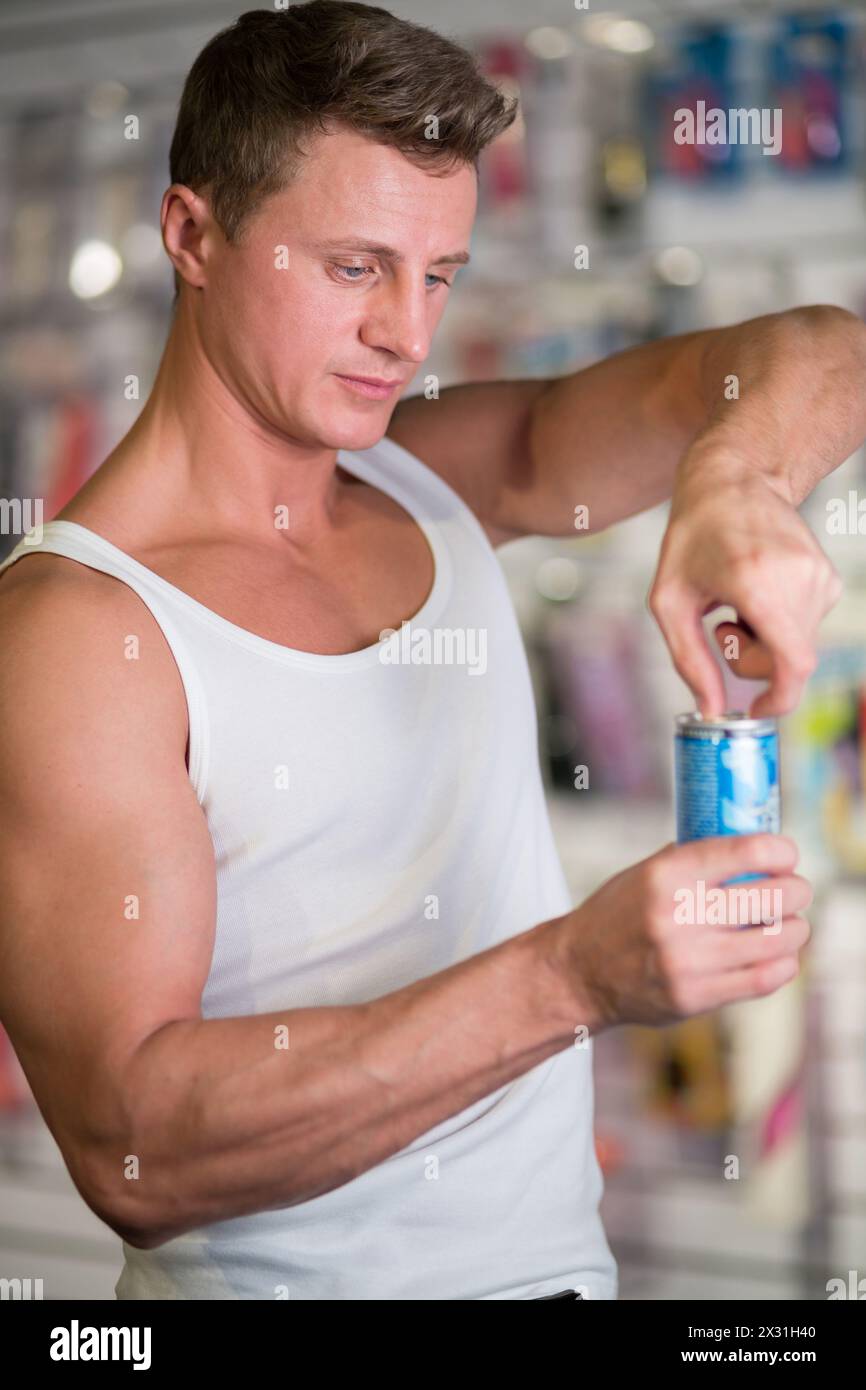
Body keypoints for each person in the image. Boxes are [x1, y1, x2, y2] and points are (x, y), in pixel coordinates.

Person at [0, 2, 863, 1301]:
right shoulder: (75, 634)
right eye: (354, 267)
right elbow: (135, 1142)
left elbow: (819, 351)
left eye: (438, 273)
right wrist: (572, 975)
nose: (409, 334)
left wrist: (735, 479)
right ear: (191, 232)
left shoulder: (430, 473)